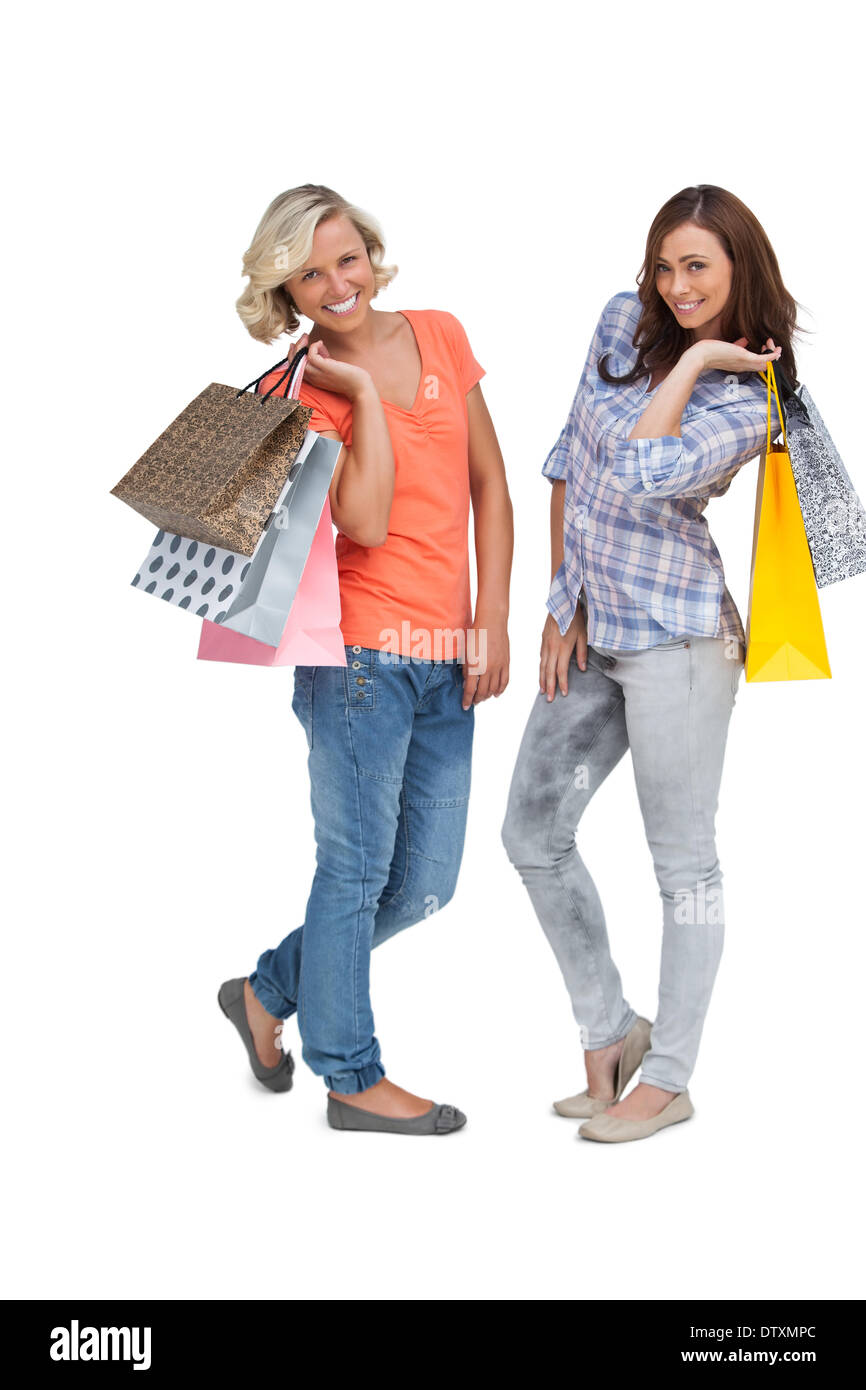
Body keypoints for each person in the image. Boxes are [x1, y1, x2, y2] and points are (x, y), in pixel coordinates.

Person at [501, 184, 796, 1143]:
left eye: (698, 268)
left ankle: (668, 1078)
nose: (675, 286)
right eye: (665, 265)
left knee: (685, 866)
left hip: (679, 643)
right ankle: (611, 1034)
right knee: (532, 833)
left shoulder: (754, 395)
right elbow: (571, 460)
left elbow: (639, 466)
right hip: (594, 631)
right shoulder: (620, 321)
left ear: (739, 269)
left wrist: (709, 356)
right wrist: (560, 601)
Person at [219, 184, 513, 1135]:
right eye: (308, 272)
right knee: (353, 870)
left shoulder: (439, 332)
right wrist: (350, 393)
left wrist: (494, 620)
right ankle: (349, 1076)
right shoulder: (307, 392)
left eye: (345, 258)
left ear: (371, 253)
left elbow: (490, 484)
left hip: (447, 650)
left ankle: (268, 993)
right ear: (286, 291)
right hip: (357, 657)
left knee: (426, 881)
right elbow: (367, 521)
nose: (335, 284)